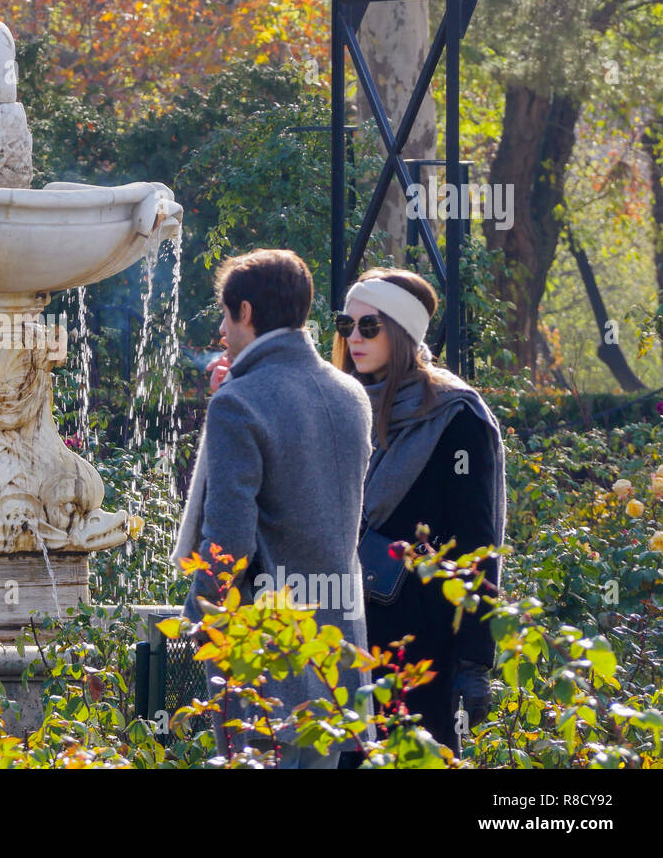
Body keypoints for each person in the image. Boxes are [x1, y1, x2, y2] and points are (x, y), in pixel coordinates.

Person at [172, 249, 373, 768]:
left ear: (245, 312)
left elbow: (228, 541)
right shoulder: (351, 394)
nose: (221, 329)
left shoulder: (239, 402)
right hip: (337, 634)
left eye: (224, 314)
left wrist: (198, 618)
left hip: (263, 641)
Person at [332, 267, 505, 754]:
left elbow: (478, 548)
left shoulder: (454, 417)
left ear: (403, 333)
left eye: (371, 326)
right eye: (347, 325)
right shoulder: (341, 406)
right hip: (341, 638)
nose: (355, 338)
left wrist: (474, 665)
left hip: (423, 652)